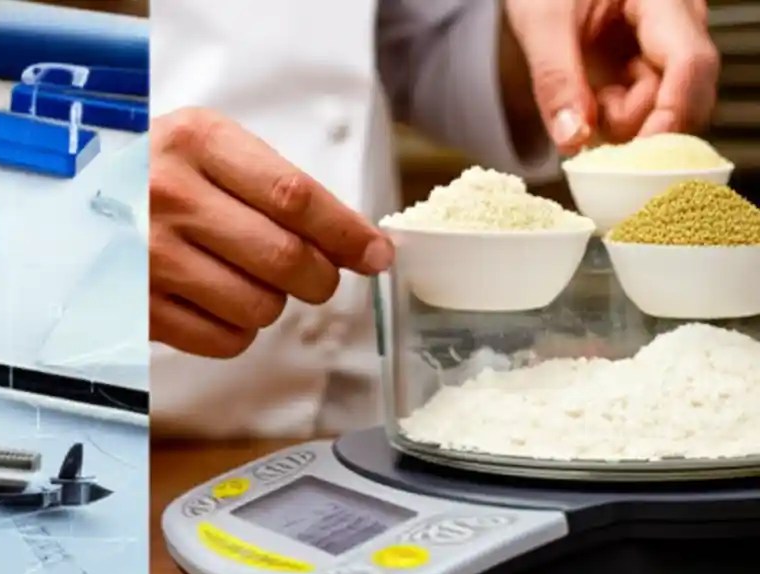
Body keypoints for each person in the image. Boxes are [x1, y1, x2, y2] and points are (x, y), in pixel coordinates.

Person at [149, 0, 719, 439]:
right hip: (126, 413)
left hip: (366, 423)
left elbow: (403, 37)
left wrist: (549, 42)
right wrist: (79, 206)